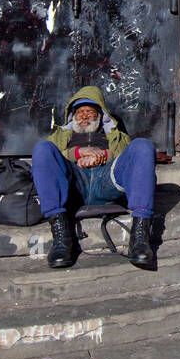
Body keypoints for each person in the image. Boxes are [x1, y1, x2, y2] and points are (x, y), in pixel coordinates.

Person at [31, 86, 157, 269]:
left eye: (89, 111)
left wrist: (104, 155)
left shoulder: (116, 135)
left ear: (100, 115)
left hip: (106, 180)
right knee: (41, 149)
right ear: (72, 116)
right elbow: (47, 164)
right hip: (75, 183)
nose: (84, 116)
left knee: (142, 146)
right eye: (80, 112)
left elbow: (130, 162)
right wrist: (77, 154)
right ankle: (61, 237)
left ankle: (140, 237)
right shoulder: (60, 135)